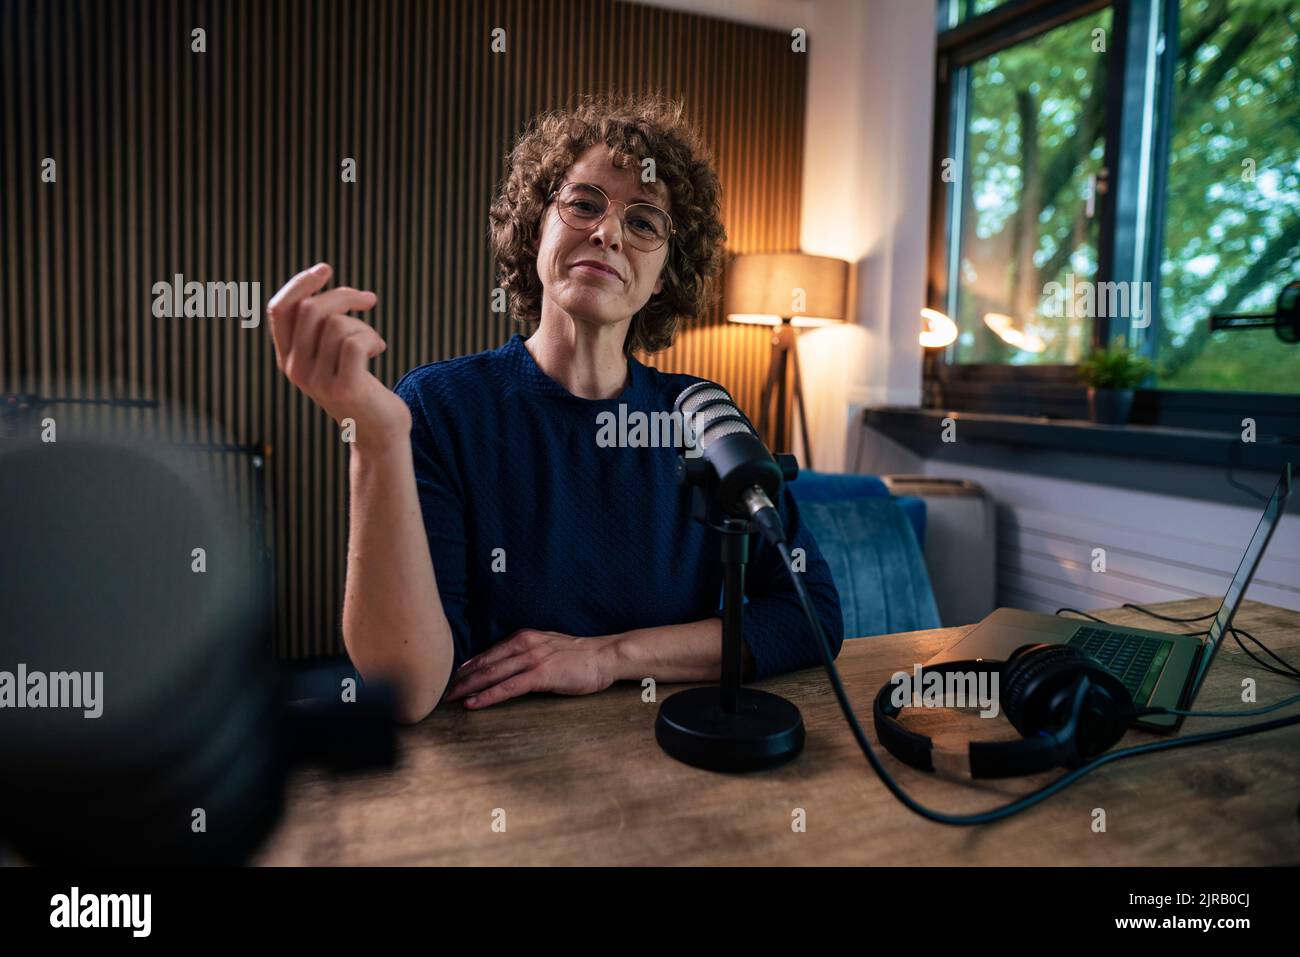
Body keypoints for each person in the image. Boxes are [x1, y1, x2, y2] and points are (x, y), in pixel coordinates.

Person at [267, 92, 843, 723]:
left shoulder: (702, 415)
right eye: (583, 203)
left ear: (665, 273)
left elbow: (809, 613)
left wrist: (608, 656)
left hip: (680, 765)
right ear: (535, 224)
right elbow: (405, 687)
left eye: (644, 221)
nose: (608, 231)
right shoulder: (439, 409)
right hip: (505, 780)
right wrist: (374, 442)